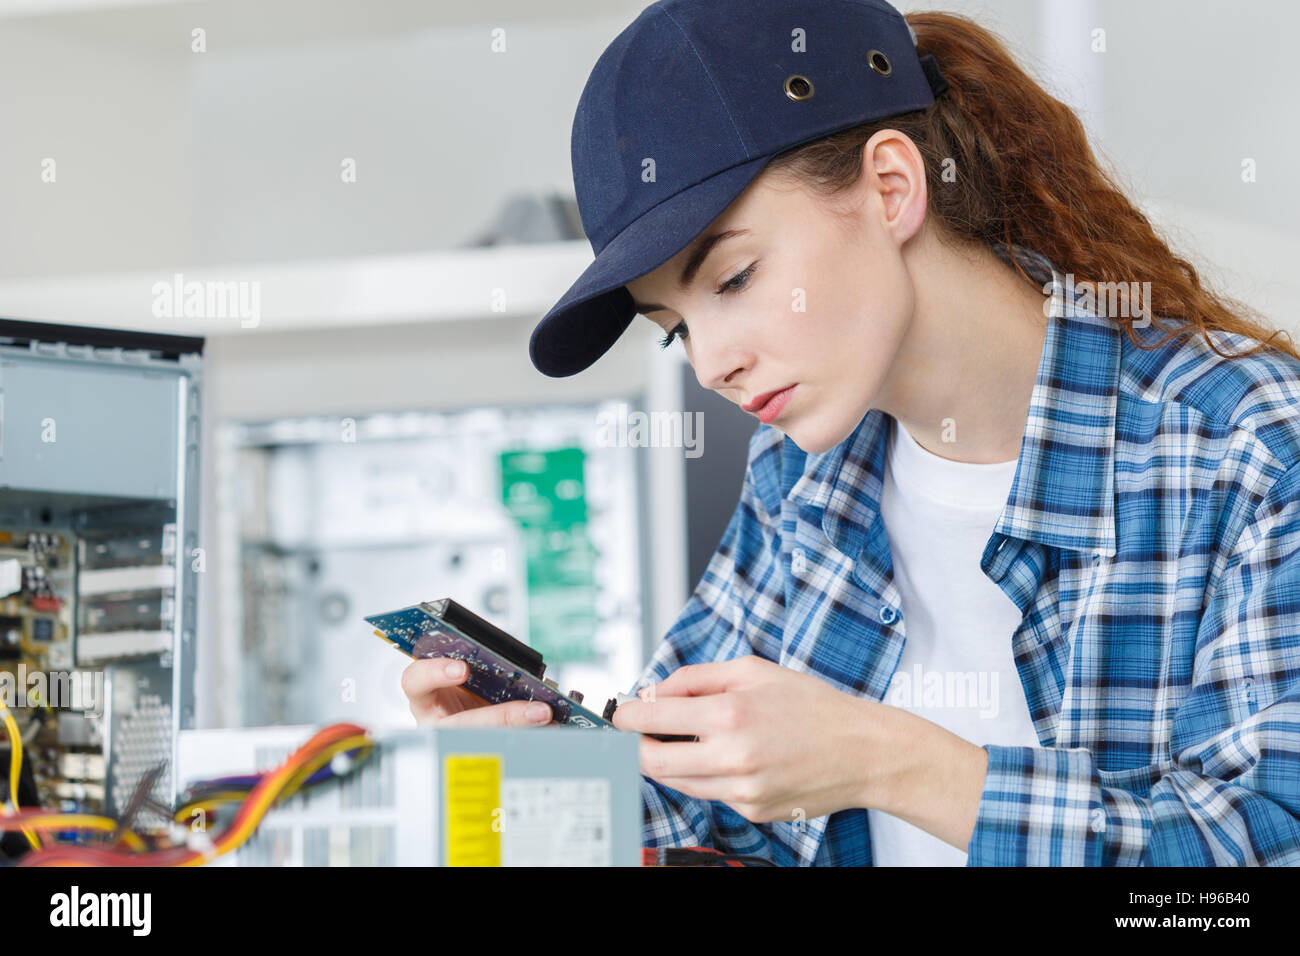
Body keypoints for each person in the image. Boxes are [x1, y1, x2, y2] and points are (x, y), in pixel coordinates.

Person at [403, 0, 1300, 866]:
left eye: (734, 278)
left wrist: (884, 759)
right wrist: (544, 765)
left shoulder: (1249, 447)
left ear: (890, 187)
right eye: (673, 328)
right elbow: (702, 802)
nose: (710, 364)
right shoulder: (799, 475)